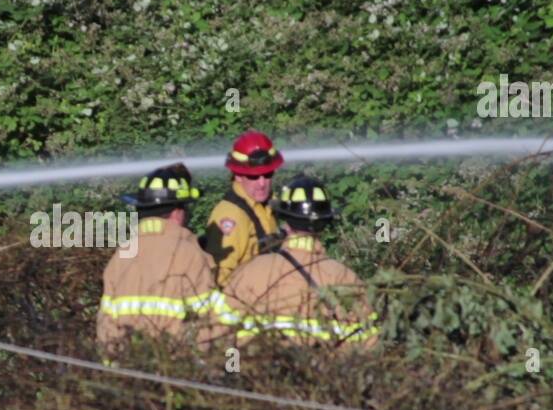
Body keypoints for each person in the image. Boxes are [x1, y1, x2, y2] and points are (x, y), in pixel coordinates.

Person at [215, 175, 379, 348]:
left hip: (255, 372)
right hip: (322, 373)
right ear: (325, 224)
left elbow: (220, 334)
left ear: (285, 222)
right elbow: (368, 345)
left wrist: (232, 370)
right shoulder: (345, 279)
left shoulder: (249, 272)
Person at [97, 163, 220, 355]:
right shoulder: (192, 256)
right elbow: (208, 327)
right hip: (176, 370)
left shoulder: (120, 257)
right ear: (177, 213)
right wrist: (225, 371)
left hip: (126, 371)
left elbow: (106, 329)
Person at [203, 130, 284, 286]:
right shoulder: (231, 216)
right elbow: (220, 276)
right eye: (253, 176)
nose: (262, 183)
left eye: (267, 174)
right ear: (238, 175)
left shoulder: (266, 204)